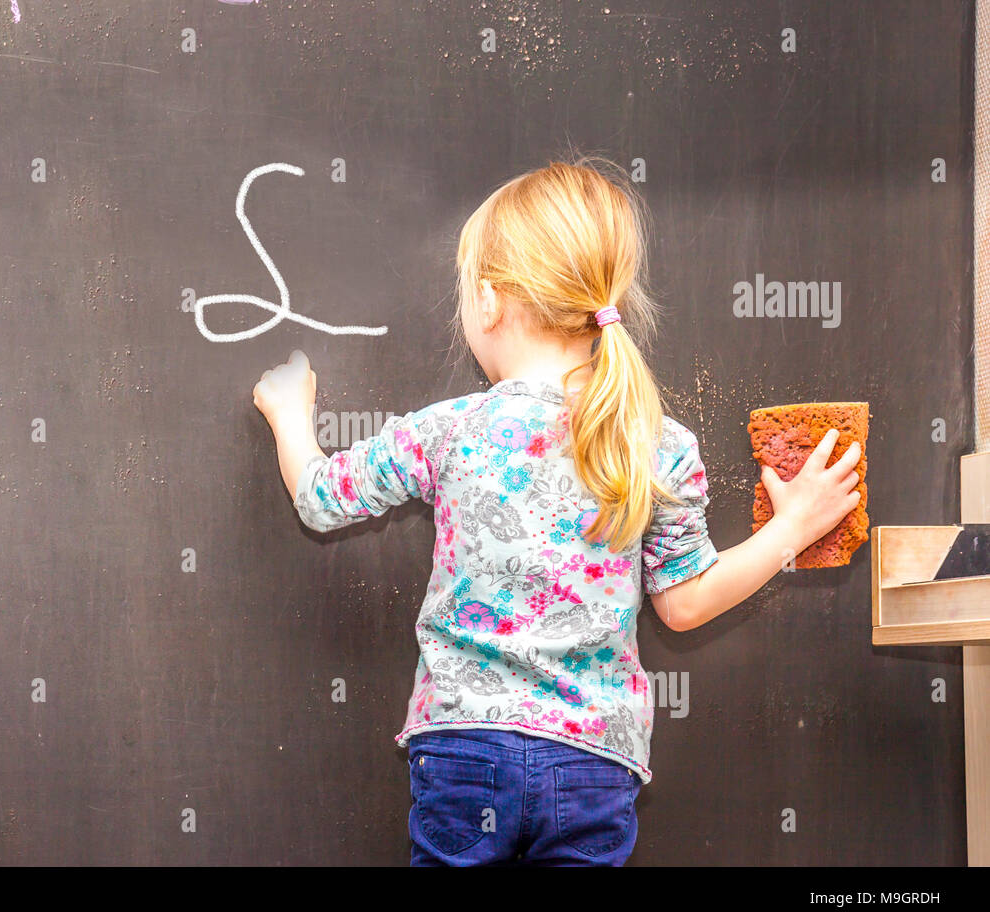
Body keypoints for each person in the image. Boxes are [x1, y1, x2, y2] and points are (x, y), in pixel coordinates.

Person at [251, 157, 861, 866]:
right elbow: (686, 603)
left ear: (487, 301)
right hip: (593, 764)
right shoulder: (656, 443)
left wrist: (290, 416)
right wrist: (792, 529)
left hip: (463, 748)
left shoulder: (448, 429)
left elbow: (322, 502)